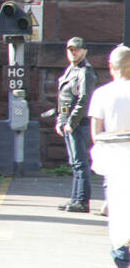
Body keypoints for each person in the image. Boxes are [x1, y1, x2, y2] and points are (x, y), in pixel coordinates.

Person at [89, 44, 130, 268]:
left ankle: (123, 263)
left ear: (111, 67)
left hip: (115, 162)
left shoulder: (102, 94)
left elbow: (96, 135)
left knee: (118, 209)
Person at [56, 36, 97, 212]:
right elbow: (65, 100)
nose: (73, 53)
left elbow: (83, 99)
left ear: (84, 51)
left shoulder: (85, 72)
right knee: (74, 162)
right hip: (69, 123)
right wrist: (61, 120)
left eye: (77, 49)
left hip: (78, 124)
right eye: (70, 50)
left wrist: (71, 121)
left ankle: (82, 201)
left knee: (80, 163)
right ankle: (75, 199)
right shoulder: (70, 70)